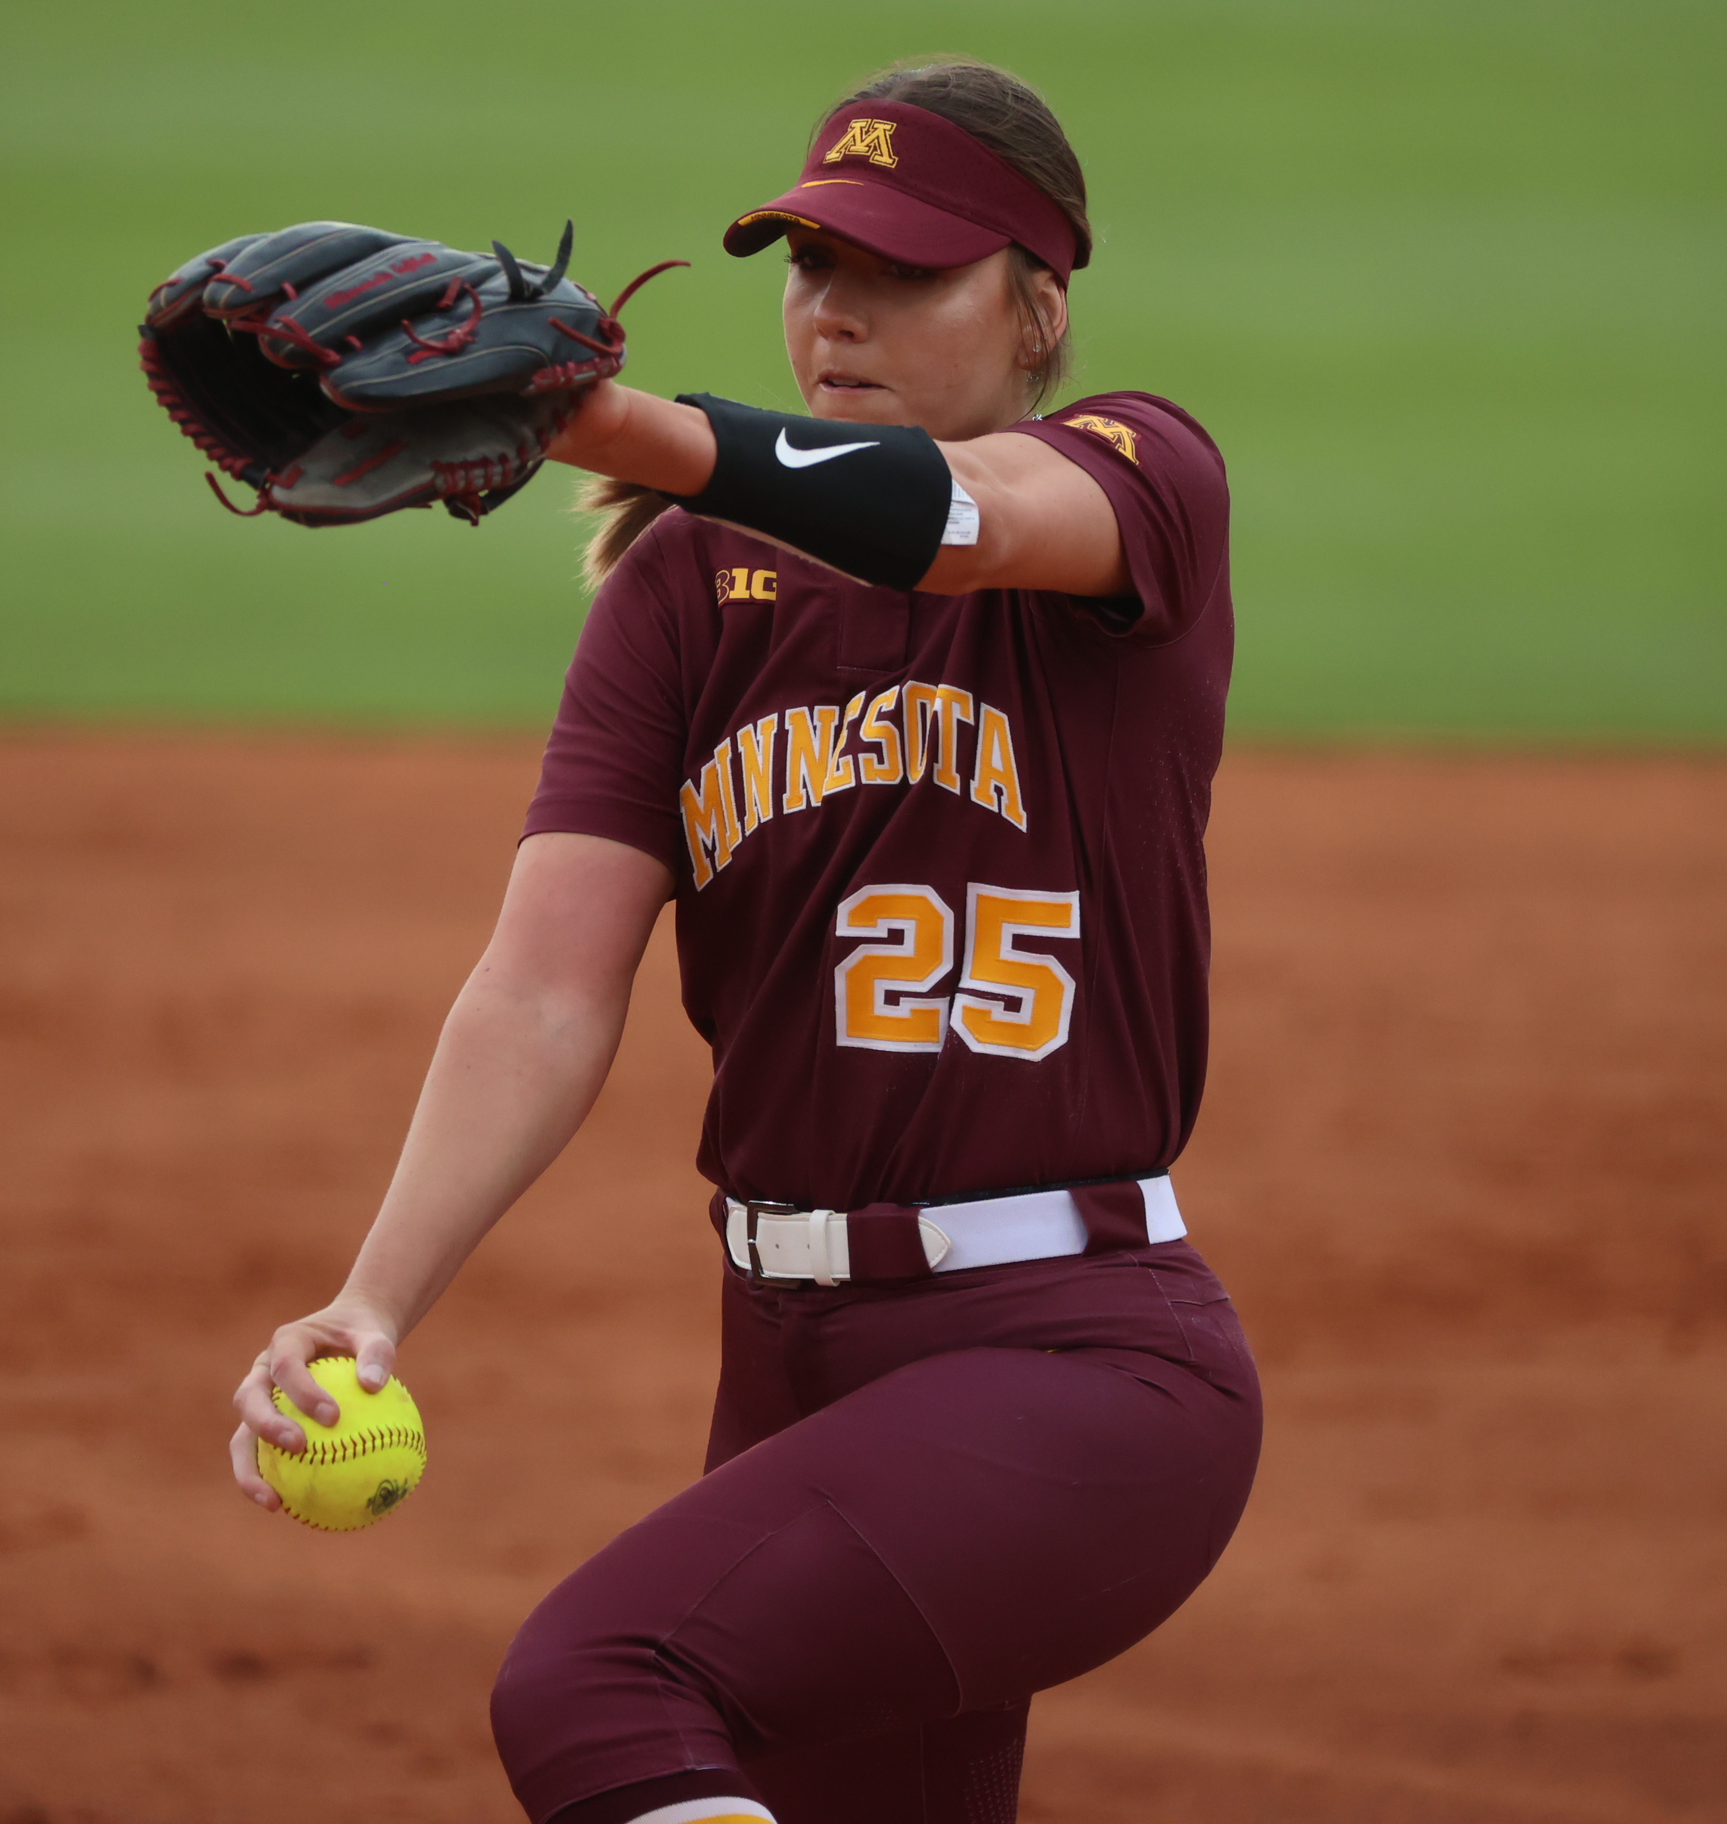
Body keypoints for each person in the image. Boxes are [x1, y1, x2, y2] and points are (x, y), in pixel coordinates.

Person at [227, 57, 1259, 1824]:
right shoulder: (688, 594)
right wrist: (372, 1300)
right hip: (791, 1366)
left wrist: (615, 428)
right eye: (813, 265)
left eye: (904, 272)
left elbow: (960, 527)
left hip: (1074, 1355)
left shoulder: (1142, 478)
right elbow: (544, 987)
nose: (836, 310)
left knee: (601, 1688)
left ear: (1037, 308)